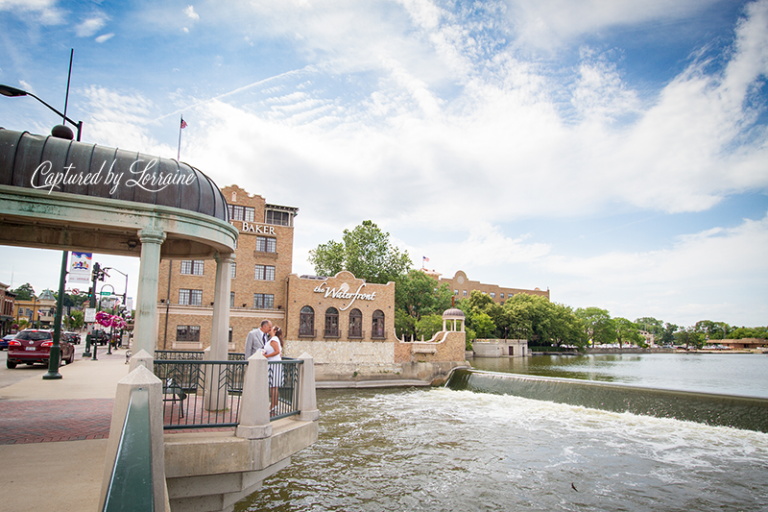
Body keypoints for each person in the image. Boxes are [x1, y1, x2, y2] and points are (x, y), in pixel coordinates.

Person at [264, 325, 283, 412]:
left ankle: (273, 405)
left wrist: (266, 356)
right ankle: (274, 405)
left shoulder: (274, 339)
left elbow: (277, 351)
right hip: (272, 364)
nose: (269, 329)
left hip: (274, 365)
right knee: (273, 386)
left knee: (273, 386)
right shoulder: (272, 339)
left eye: (271, 328)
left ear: (274, 331)